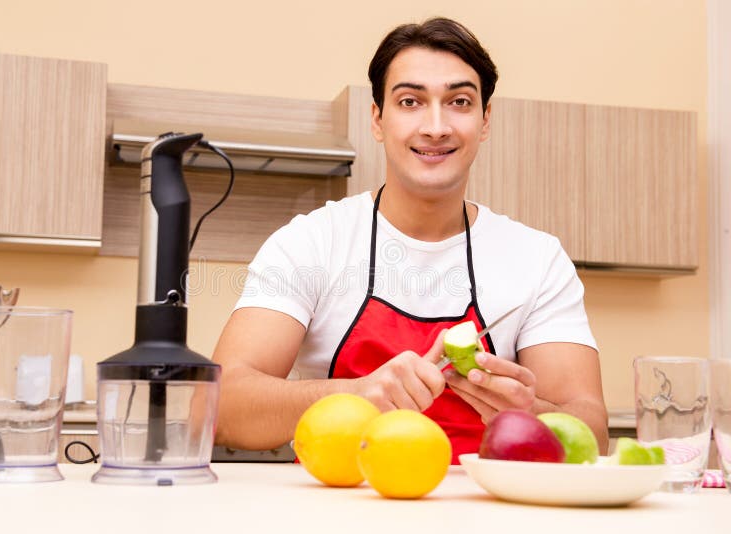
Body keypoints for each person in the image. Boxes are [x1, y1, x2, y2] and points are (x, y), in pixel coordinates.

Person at [212, 17, 608, 461]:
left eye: (459, 101)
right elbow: (220, 405)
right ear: (378, 119)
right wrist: (357, 394)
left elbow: (591, 430)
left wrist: (528, 412)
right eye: (410, 101)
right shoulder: (310, 243)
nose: (435, 127)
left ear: (485, 120)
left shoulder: (537, 258)